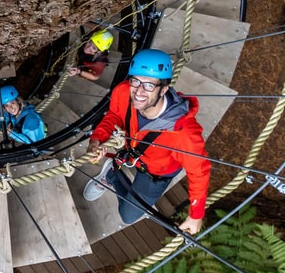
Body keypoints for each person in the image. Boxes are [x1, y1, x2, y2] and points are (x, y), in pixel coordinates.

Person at [82, 49, 210, 234]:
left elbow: (199, 171)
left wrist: (196, 214)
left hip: (156, 172)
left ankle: (111, 175)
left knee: (127, 216)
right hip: (134, 151)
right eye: (136, 81)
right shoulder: (124, 92)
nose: (139, 91)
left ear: (163, 89)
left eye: (149, 85)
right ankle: (113, 171)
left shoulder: (183, 133)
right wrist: (97, 139)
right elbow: (114, 115)